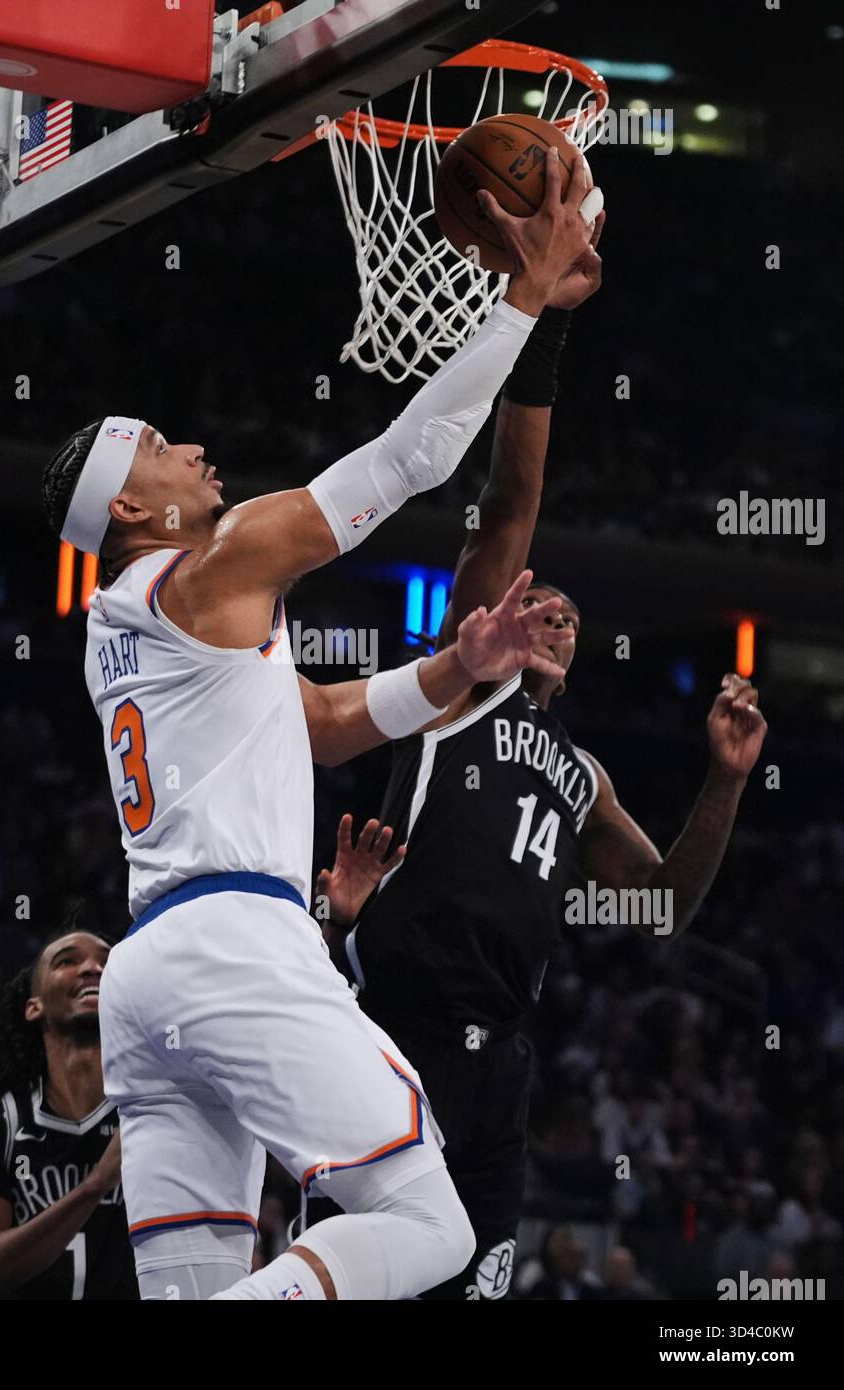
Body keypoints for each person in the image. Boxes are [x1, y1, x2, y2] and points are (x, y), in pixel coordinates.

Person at [39, 150, 599, 1301]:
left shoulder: (130, 629)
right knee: (426, 1222)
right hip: (238, 948)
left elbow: (328, 722)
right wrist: (521, 299)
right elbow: (409, 459)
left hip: (149, 976)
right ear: (135, 510)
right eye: (161, 449)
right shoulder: (215, 562)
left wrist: (459, 664)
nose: (194, 449)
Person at [321, 203, 769, 1299]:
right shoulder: (458, 687)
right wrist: (549, 326)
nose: (553, 614)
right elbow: (510, 494)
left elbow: (659, 906)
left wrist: (721, 779)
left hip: (502, 1065)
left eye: (568, 617)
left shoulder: (581, 775)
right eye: (541, 604)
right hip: (398, 1025)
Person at [0, 929, 137, 1299]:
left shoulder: (154, 1108)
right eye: (68, 961)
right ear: (34, 1006)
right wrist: (94, 1186)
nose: (93, 968)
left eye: (107, 962)